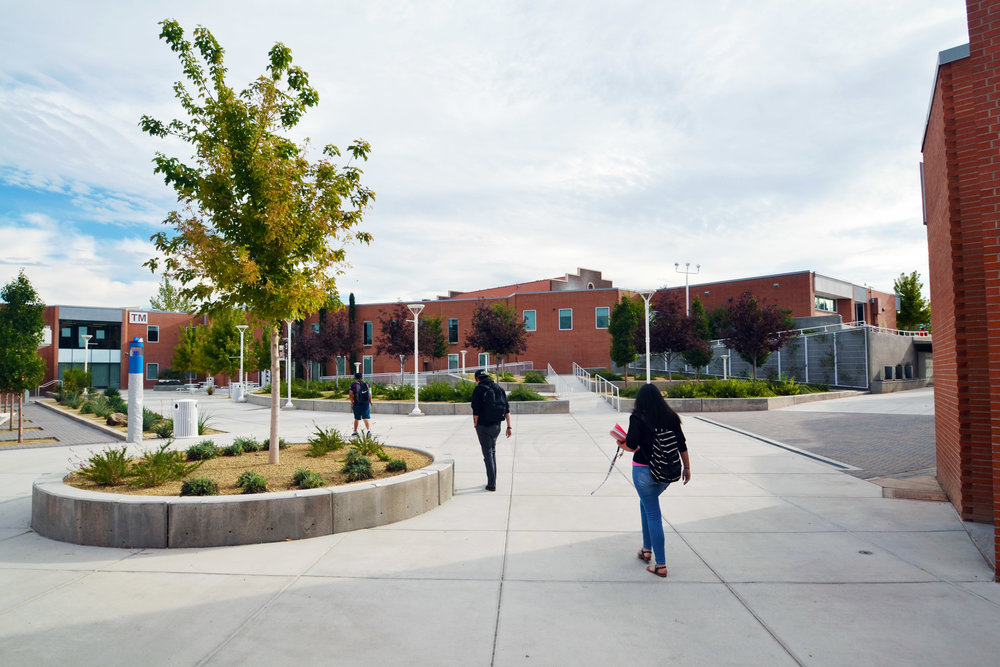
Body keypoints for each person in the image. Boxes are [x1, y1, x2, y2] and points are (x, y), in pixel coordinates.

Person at [617, 383, 691, 578]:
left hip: (643, 473)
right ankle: (646, 549)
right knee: (646, 505)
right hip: (666, 473)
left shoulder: (637, 417)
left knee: (653, 513)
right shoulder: (671, 417)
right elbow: (682, 444)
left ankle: (661, 565)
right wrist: (687, 468)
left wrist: (620, 444)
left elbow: (631, 445)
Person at [470, 369, 511, 491]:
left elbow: (475, 411)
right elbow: (507, 409)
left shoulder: (478, 389)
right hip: (497, 426)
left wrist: (475, 425)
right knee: (492, 452)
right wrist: (509, 427)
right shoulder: (499, 388)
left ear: (478, 379)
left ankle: (491, 484)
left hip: (483, 426)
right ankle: (493, 481)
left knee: (487, 454)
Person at [349, 372, 372, 437]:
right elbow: (370, 394)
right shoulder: (367, 385)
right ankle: (368, 430)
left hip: (357, 404)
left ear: (355, 378)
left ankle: (355, 432)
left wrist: (352, 402)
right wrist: (370, 402)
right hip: (365, 404)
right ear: (361, 377)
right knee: (365, 417)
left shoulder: (353, 385)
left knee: (357, 418)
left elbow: (350, 395)